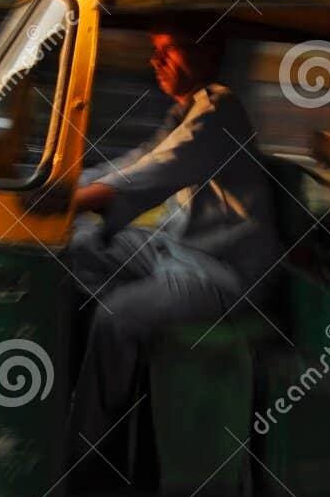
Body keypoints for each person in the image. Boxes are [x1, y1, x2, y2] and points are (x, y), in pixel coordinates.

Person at [66, 27, 281, 455]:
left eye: (170, 50)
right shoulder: (183, 112)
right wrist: (63, 186)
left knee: (116, 317)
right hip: (175, 247)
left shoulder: (220, 111)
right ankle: (109, 378)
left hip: (219, 272)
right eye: (154, 51)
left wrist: (71, 200)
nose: (155, 61)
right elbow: (135, 161)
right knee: (78, 250)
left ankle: (85, 449)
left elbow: (154, 172)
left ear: (209, 50)